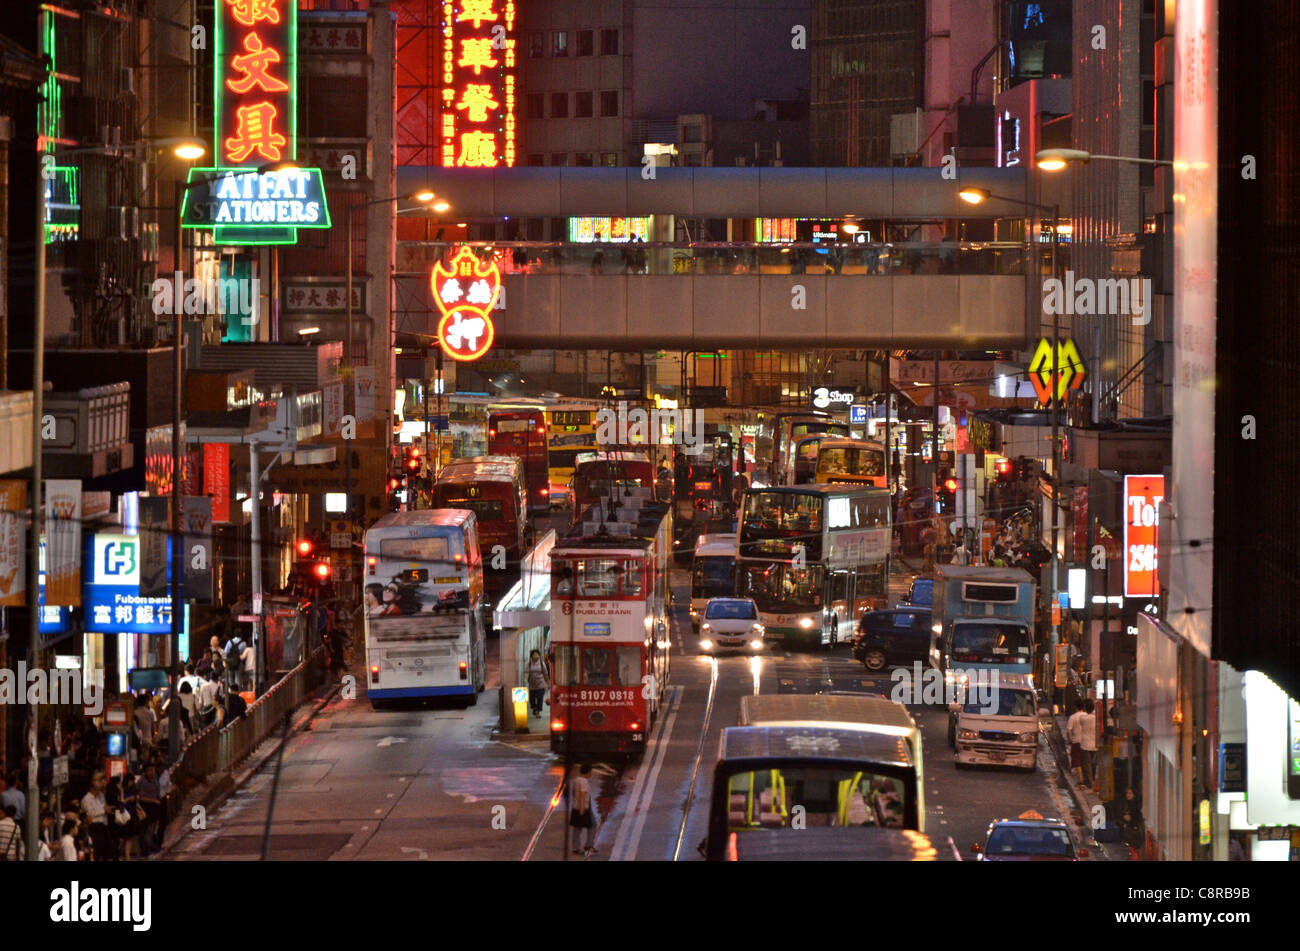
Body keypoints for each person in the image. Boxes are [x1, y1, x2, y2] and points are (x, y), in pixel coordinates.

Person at [81, 771, 112, 861]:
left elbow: (105, 806)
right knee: (95, 854)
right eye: (100, 781)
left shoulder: (101, 795)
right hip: (94, 828)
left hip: (104, 826)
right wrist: (103, 810)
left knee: (108, 853)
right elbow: (90, 814)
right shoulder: (86, 799)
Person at [568, 763, 597, 855]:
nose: (591, 774)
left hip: (575, 807)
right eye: (590, 772)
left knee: (577, 828)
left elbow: (573, 793)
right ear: (588, 772)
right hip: (583, 807)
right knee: (593, 824)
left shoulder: (576, 780)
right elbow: (582, 795)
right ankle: (589, 844)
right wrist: (582, 810)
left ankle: (576, 847)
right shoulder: (584, 781)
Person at [526, 649, 549, 717]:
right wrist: (525, 679)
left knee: (540, 698)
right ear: (531, 656)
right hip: (532, 684)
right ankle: (534, 708)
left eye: (537, 654)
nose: (536, 656)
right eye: (534, 654)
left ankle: (538, 712)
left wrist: (547, 683)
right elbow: (526, 672)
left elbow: (545, 674)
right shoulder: (529, 664)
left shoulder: (542, 663)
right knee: (532, 700)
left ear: (539, 655)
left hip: (541, 684)